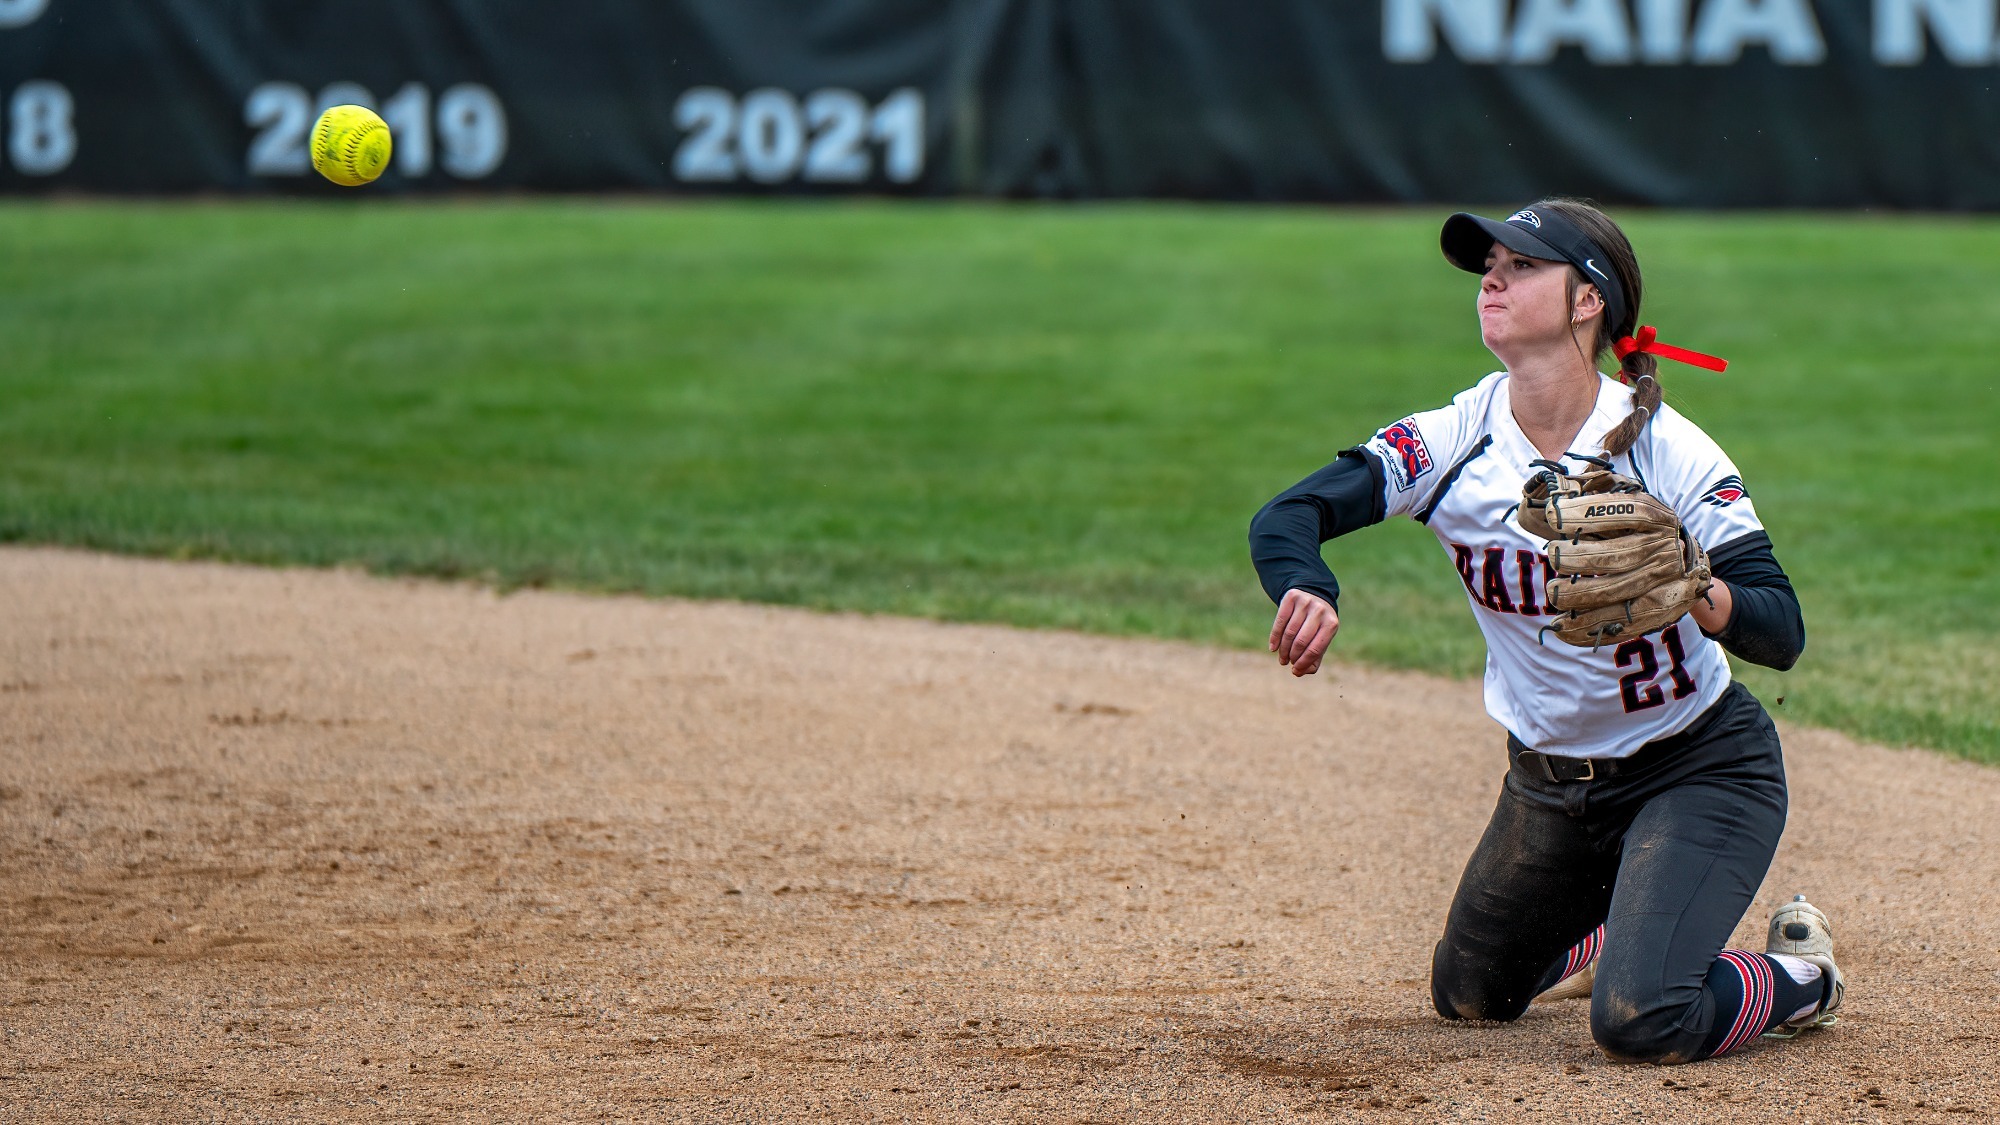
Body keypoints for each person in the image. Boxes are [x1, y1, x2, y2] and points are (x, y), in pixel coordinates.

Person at [1247, 199, 1841, 1064]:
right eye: (1491, 263)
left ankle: (1803, 977)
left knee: (1641, 1019)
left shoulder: (1669, 451)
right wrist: (1306, 584)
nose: (1494, 276)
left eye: (1524, 265)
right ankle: (1624, 924)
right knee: (1471, 996)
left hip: (1699, 766)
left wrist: (1693, 583)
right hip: (1549, 787)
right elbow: (1290, 513)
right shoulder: (1454, 437)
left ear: (1588, 299)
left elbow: (1780, 629)